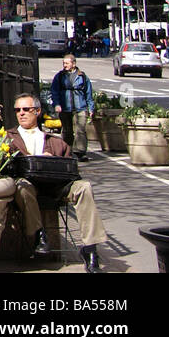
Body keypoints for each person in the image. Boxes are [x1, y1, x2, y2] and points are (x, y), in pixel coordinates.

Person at [8, 93, 106, 272]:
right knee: (22, 186)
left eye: (26, 109)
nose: (21, 113)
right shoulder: (9, 138)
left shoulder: (54, 141)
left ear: (37, 111)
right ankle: (39, 236)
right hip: (30, 187)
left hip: (57, 186)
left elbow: (71, 169)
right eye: (17, 110)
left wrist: (52, 160)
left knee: (84, 187)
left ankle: (91, 249)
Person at [50, 55, 94, 161]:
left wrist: (91, 108)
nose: (65, 65)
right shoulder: (59, 76)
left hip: (80, 107)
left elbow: (88, 93)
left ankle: (80, 152)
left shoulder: (82, 76)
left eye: (67, 63)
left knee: (81, 130)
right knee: (67, 130)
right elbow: (54, 91)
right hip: (65, 108)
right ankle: (67, 150)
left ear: (74, 64)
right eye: (63, 63)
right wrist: (57, 104)